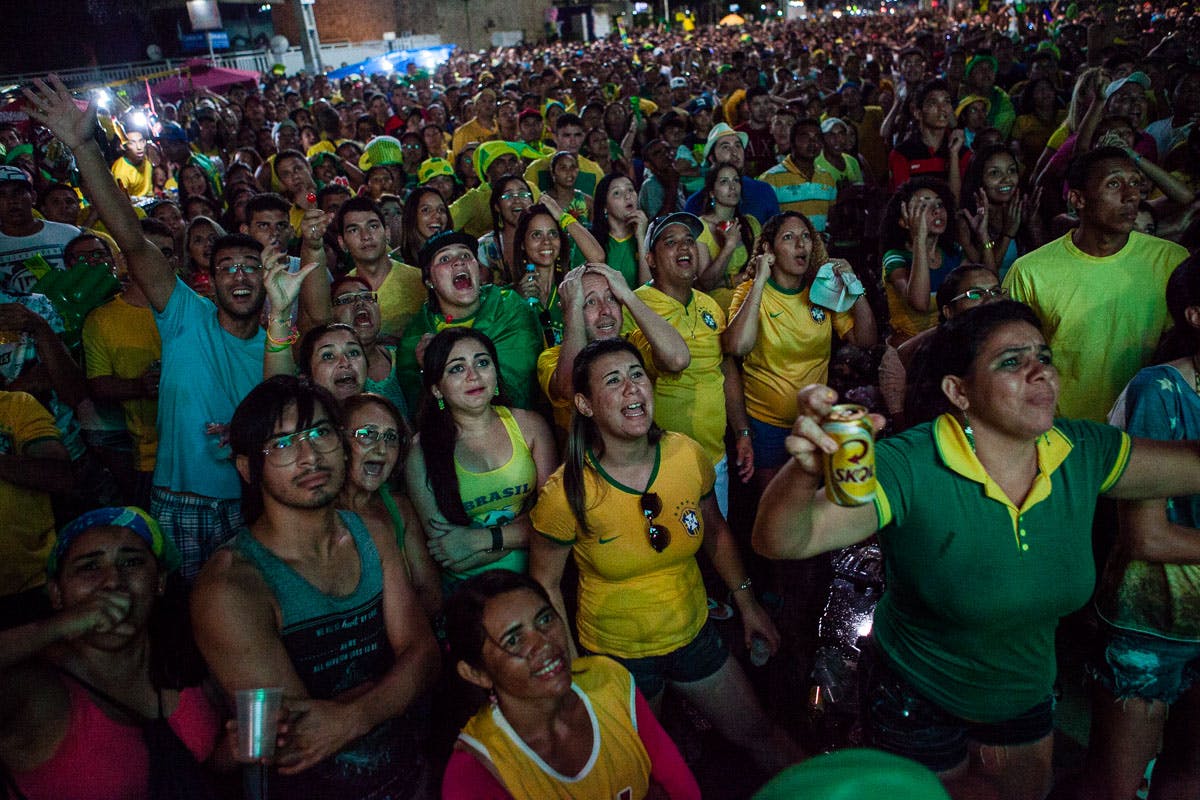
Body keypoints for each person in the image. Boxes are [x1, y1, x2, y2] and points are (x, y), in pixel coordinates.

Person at [753, 299, 1200, 800]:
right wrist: (805, 470)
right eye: (1012, 361)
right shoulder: (913, 462)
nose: (1040, 372)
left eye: (1044, 357)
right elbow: (783, 538)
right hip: (916, 698)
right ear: (958, 391)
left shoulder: (1082, 451)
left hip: (1025, 695)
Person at [24, 76, 327, 582]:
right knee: (183, 617)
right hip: (179, 501)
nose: (238, 275)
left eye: (250, 266)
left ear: (269, 274)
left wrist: (249, 434)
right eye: (226, 266)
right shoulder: (184, 313)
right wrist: (82, 145)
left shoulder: (281, 335)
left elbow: (307, 354)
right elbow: (130, 236)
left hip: (257, 502)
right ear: (209, 277)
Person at [529, 338, 801, 777]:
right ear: (584, 404)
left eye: (637, 375)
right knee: (641, 772)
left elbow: (713, 531)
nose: (632, 389)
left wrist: (748, 604)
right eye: (613, 381)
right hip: (618, 658)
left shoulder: (685, 455)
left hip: (693, 634)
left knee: (762, 733)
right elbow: (544, 585)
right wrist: (573, 668)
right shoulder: (566, 494)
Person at [191, 375, 440, 799]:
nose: (309, 457)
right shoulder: (232, 586)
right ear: (249, 468)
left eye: (321, 433)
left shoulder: (373, 531)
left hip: (412, 776)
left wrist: (350, 716)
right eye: (283, 444)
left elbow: (427, 657)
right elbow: (296, 738)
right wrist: (395, 685)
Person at [1077, 254, 1200, 800]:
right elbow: (1145, 536)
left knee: (1189, 775)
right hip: (1155, 619)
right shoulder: (1161, 391)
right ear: (1195, 315)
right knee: (1119, 784)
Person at [0, 506, 226, 798]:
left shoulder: (185, 659)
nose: (113, 581)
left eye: (131, 563)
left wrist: (231, 754)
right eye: (90, 567)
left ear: (159, 582)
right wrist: (59, 627)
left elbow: (192, 770)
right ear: (56, 594)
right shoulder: (37, 690)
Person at [441, 569, 702, 799]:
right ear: (476, 673)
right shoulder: (476, 771)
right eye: (514, 640)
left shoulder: (607, 680)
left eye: (544, 620)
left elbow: (678, 784)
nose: (544, 643)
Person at [1004, 146, 1189, 421]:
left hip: (1145, 430)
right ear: (1078, 199)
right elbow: (1009, 359)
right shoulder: (1030, 272)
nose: (1131, 195)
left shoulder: (1170, 260)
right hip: (1062, 432)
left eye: (1135, 183)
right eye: (1114, 184)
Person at [723, 211, 876, 490]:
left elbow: (864, 341)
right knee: (772, 506)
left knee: (809, 504)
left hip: (815, 420)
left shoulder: (822, 291)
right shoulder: (749, 292)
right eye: (789, 237)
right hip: (765, 425)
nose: (801, 244)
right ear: (769, 249)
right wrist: (759, 280)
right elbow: (736, 346)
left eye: (806, 236)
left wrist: (856, 288)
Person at [624, 212, 754, 517]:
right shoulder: (635, 306)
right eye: (671, 242)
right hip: (658, 462)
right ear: (651, 259)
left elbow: (725, 369)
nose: (684, 247)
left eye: (689, 241)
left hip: (714, 457)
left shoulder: (709, 305)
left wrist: (742, 432)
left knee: (714, 546)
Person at [404, 328, 554, 591]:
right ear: (437, 389)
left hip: (537, 581)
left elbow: (553, 523)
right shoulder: (421, 452)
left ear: (496, 373)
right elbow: (450, 554)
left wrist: (476, 540)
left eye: (482, 363)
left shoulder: (530, 426)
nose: (473, 375)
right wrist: (524, 531)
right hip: (468, 597)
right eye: (457, 368)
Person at [395, 230, 542, 412]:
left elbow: (523, 387)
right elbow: (421, 412)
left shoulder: (511, 308)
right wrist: (428, 370)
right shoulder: (415, 337)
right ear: (429, 281)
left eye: (465, 255)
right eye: (444, 259)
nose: (459, 262)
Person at [539, 263, 689, 432]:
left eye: (612, 298)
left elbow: (678, 359)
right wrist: (571, 308)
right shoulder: (551, 358)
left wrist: (628, 295)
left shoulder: (634, 344)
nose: (605, 311)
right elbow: (573, 387)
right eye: (590, 302)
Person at [338, 392, 440, 619]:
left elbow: (430, 593)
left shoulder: (400, 509)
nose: (382, 448)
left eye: (391, 437)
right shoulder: (320, 514)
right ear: (339, 441)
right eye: (368, 434)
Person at [880, 177, 964, 344]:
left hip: (946, 343)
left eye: (939, 204)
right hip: (908, 349)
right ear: (904, 221)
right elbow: (920, 303)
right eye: (924, 206)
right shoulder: (895, 257)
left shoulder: (953, 251)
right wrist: (919, 238)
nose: (936, 211)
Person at [337, 195, 427, 340]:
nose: (366, 236)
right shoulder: (341, 293)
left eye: (373, 226)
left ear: (387, 233)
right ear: (342, 243)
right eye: (354, 230)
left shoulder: (420, 280)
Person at [955, 145, 1043, 279]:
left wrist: (1032, 225)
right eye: (995, 173)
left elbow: (1045, 263)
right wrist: (1007, 235)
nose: (1006, 179)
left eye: (1011, 171)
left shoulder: (1022, 209)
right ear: (979, 178)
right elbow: (988, 278)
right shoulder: (967, 220)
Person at [0, 164, 79, 295]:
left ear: (34, 197)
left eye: (18, 192)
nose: (11, 201)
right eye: (2, 195)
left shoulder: (69, 235)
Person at [683, 124, 781, 225]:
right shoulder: (696, 202)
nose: (734, 153)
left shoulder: (763, 190)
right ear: (712, 158)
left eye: (738, 146)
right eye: (725, 147)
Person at [696, 162, 760, 312]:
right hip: (716, 309)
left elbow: (760, 269)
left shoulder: (751, 223)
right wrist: (729, 245)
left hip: (750, 302)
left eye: (736, 180)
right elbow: (706, 284)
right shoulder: (700, 227)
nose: (732, 187)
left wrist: (728, 281)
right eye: (724, 181)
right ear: (712, 192)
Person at [758, 118, 837, 233]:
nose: (813, 143)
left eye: (817, 138)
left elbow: (830, 220)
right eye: (805, 138)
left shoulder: (827, 178)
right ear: (792, 142)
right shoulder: (770, 179)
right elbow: (764, 225)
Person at [589, 173, 650, 290]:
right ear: (604, 207)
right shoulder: (591, 240)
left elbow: (648, 292)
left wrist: (641, 238)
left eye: (630, 190)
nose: (627, 196)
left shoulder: (651, 238)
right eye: (617, 193)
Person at [476, 175, 533, 284]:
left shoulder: (545, 240)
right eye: (508, 196)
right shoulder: (483, 248)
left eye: (523, 194)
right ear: (497, 206)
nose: (517, 200)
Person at [396, 186, 452, 267]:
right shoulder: (396, 263)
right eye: (426, 210)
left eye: (441, 210)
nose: (437, 215)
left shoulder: (457, 257)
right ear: (412, 216)